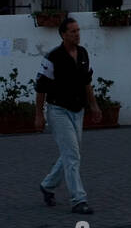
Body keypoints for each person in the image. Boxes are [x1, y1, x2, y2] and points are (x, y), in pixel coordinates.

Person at [34, 17, 100, 214]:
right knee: (72, 156)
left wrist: (94, 105)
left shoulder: (83, 54)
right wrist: (39, 114)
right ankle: (78, 199)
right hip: (58, 110)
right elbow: (41, 87)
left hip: (77, 110)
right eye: (72, 31)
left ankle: (47, 185)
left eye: (78, 30)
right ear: (63, 34)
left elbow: (87, 82)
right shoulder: (52, 57)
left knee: (72, 154)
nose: (77, 34)